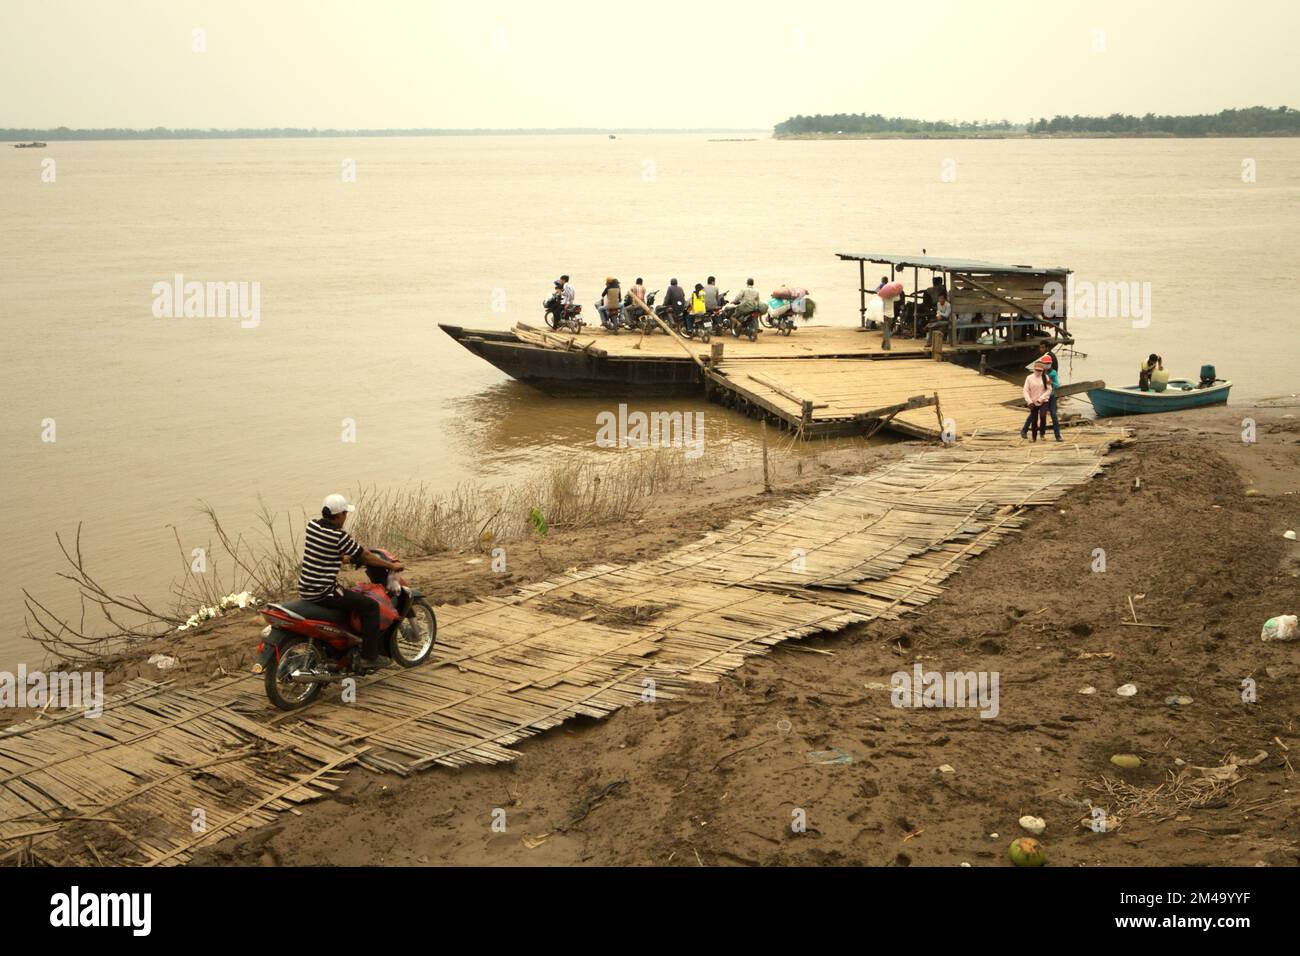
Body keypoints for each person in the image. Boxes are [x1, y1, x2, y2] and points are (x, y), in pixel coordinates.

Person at [298, 494, 404, 668]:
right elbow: (366, 556)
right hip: (324, 592)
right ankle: (369, 657)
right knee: (370, 606)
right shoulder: (339, 536)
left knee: (350, 597)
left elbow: (324, 549)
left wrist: (344, 558)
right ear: (339, 515)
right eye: (345, 514)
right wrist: (391, 565)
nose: (345, 518)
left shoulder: (312, 526)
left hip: (305, 587)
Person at [1020, 360, 1053, 441]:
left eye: (1040, 370)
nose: (1038, 372)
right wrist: (1029, 401)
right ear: (1034, 369)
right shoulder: (1029, 378)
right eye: (1037, 370)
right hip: (1033, 401)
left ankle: (1042, 434)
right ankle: (1034, 438)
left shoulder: (1046, 377)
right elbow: (1025, 390)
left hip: (1043, 401)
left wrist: (1041, 399)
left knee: (1043, 416)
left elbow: (1049, 390)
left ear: (1043, 370)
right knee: (1034, 420)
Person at [1040, 353, 1063, 441]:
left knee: (1054, 415)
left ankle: (1058, 436)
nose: (1047, 365)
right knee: (1043, 415)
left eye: (1048, 363)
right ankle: (1042, 434)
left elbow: (1057, 385)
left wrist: (1051, 383)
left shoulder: (1053, 373)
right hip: (1042, 397)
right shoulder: (1039, 372)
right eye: (1045, 364)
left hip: (1052, 396)